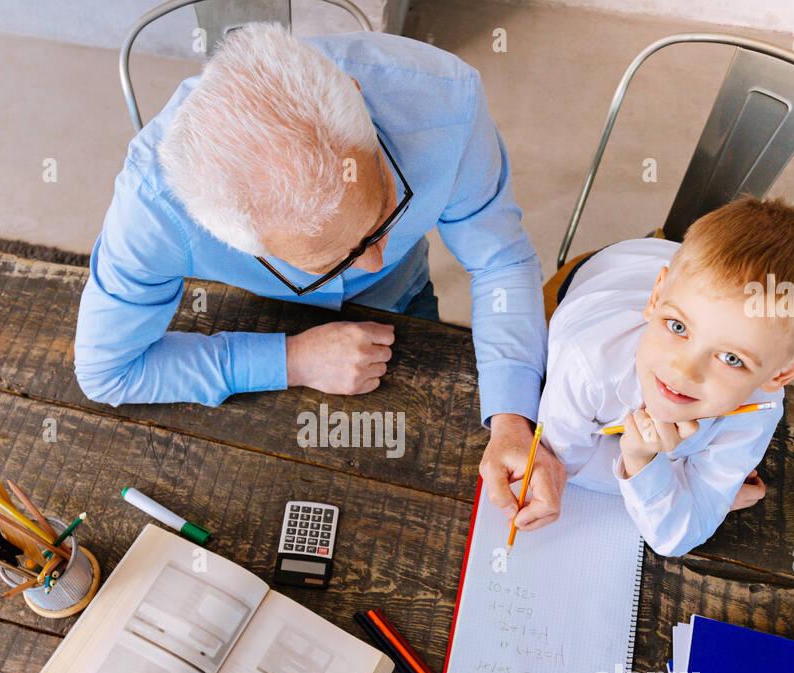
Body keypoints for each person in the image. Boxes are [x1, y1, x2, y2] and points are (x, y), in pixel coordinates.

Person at [75, 23, 563, 527]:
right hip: (265, 322)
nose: (376, 262)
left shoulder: (446, 103)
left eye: (384, 217)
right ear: (231, 236)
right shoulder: (154, 209)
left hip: (409, 309)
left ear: (357, 103)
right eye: (332, 258)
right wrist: (291, 360)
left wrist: (511, 418)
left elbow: (500, 262)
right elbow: (106, 372)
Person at [537, 197, 794, 556]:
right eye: (677, 327)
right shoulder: (588, 359)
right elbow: (559, 465)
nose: (683, 371)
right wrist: (680, 481)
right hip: (601, 273)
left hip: (688, 280)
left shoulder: (759, 407)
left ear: (784, 372)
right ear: (656, 297)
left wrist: (642, 460)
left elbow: (677, 539)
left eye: (731, 358)